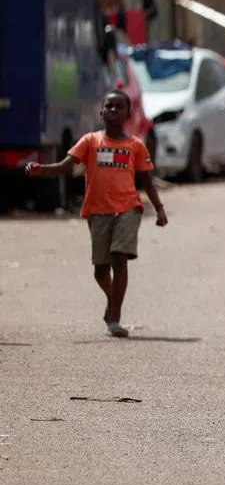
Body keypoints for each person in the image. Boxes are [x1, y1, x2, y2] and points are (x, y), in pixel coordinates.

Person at [25, 89, 168, 337]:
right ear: (101, 112)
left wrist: (159, 209)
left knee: (119, 257)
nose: (113, 110)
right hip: (98, 210)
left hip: (128, 209)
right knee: (101, 269)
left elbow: (147, 181)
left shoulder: (136, 146)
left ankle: (115, 320)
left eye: (118, 107)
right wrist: (41, 169)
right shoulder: (90, 141)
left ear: (128, 114)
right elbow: (64, 167)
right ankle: (112, 300)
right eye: (108, 106)